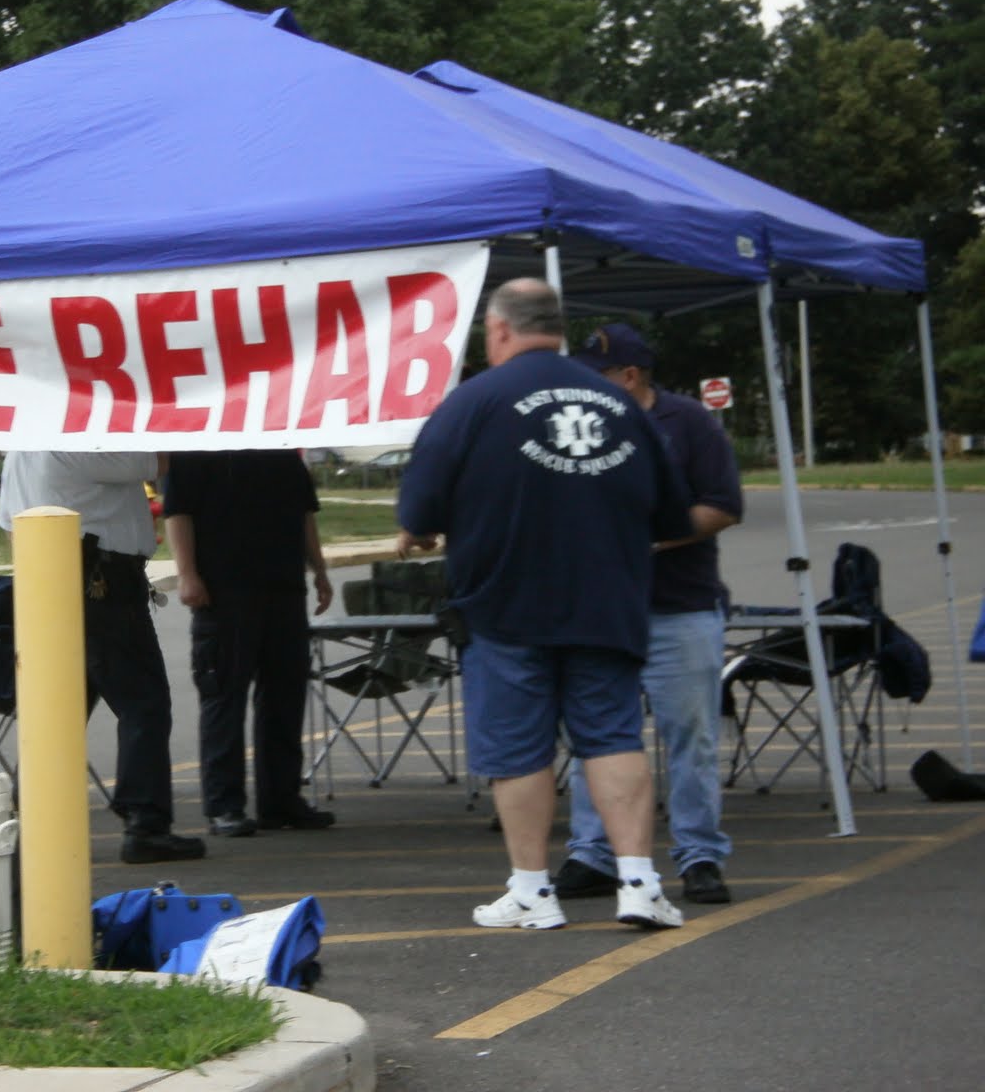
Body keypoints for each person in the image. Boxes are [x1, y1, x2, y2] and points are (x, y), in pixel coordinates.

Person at [396, 278, 691, 931]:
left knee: (517, 749)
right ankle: (639, 884)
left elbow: (417, 511)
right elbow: (672, 513)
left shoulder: (472, 402)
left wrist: (428, 526)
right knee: (612, 737)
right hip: (606, 601)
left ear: (498, 330)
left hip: (506, 605)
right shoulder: (623, 406)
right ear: (558, 327)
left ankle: (533, 891)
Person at [557, 323, 743, 905]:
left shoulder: (687, 422)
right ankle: (593, 853)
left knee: (690, 736)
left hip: (678, 606)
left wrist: (650, 541)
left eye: (596, 376)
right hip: (600, 611)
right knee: (597, 735)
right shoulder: (576, 424)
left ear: (630, 377)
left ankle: (700, 854)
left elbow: (721, 505)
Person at [0, 451, 205, 865]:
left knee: (58, 715)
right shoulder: (75, 444)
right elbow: (158, 461)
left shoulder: (19, 450)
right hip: (101, 580)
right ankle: (146, 823)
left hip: (51, 575)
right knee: (143, 704)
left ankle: (31, 823)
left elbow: (8, 524)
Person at [163, 450, 336, 838]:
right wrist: (187, 574)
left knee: (284, 699)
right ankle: (225, 806)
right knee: (224, 697)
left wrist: (320, 571)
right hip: (224, 592)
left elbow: (305, 515)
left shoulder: (283, 451)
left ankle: (281, 801)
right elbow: (178, 513)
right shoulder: (197, 450)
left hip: (284, 589)